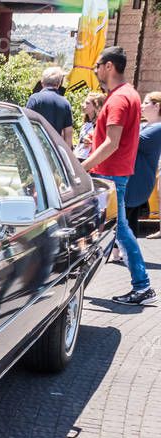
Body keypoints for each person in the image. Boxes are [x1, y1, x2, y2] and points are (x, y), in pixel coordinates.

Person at [82, 46, 154, 306]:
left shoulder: (118, 99)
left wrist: (82, 167)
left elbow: (112, 143)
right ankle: (141, 284)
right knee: (109, 229)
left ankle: (142, 284)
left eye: (97, 66)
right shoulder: (128, 95)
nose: (96, 71)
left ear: (109, 66)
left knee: (119, 230)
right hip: (114, 173)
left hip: (110, 175)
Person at [124, 92, 161, 238]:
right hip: (132, 177)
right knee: (129, 218)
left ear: (157, 106)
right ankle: (129, 254)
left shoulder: (158, 128)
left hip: (139, 179)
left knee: (126, 217)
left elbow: (130, 140)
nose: (142, 106)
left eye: (146, 103)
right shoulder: (144, 125)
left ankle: (120, 251)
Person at [25, 67, 73, 145]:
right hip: (55, 150)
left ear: (42, 82)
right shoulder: (65, 103)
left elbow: (26, 124)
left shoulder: (35, 99)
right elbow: (68, 134)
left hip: (37, 146)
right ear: (59, 84)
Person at [76, 93, 105, 160]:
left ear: (96, 107)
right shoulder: (86, 124)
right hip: (79, 156)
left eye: (87, 103)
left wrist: (91, 142)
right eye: (84, 102)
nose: (83, 105)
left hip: (89, 159)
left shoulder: (99, 124)